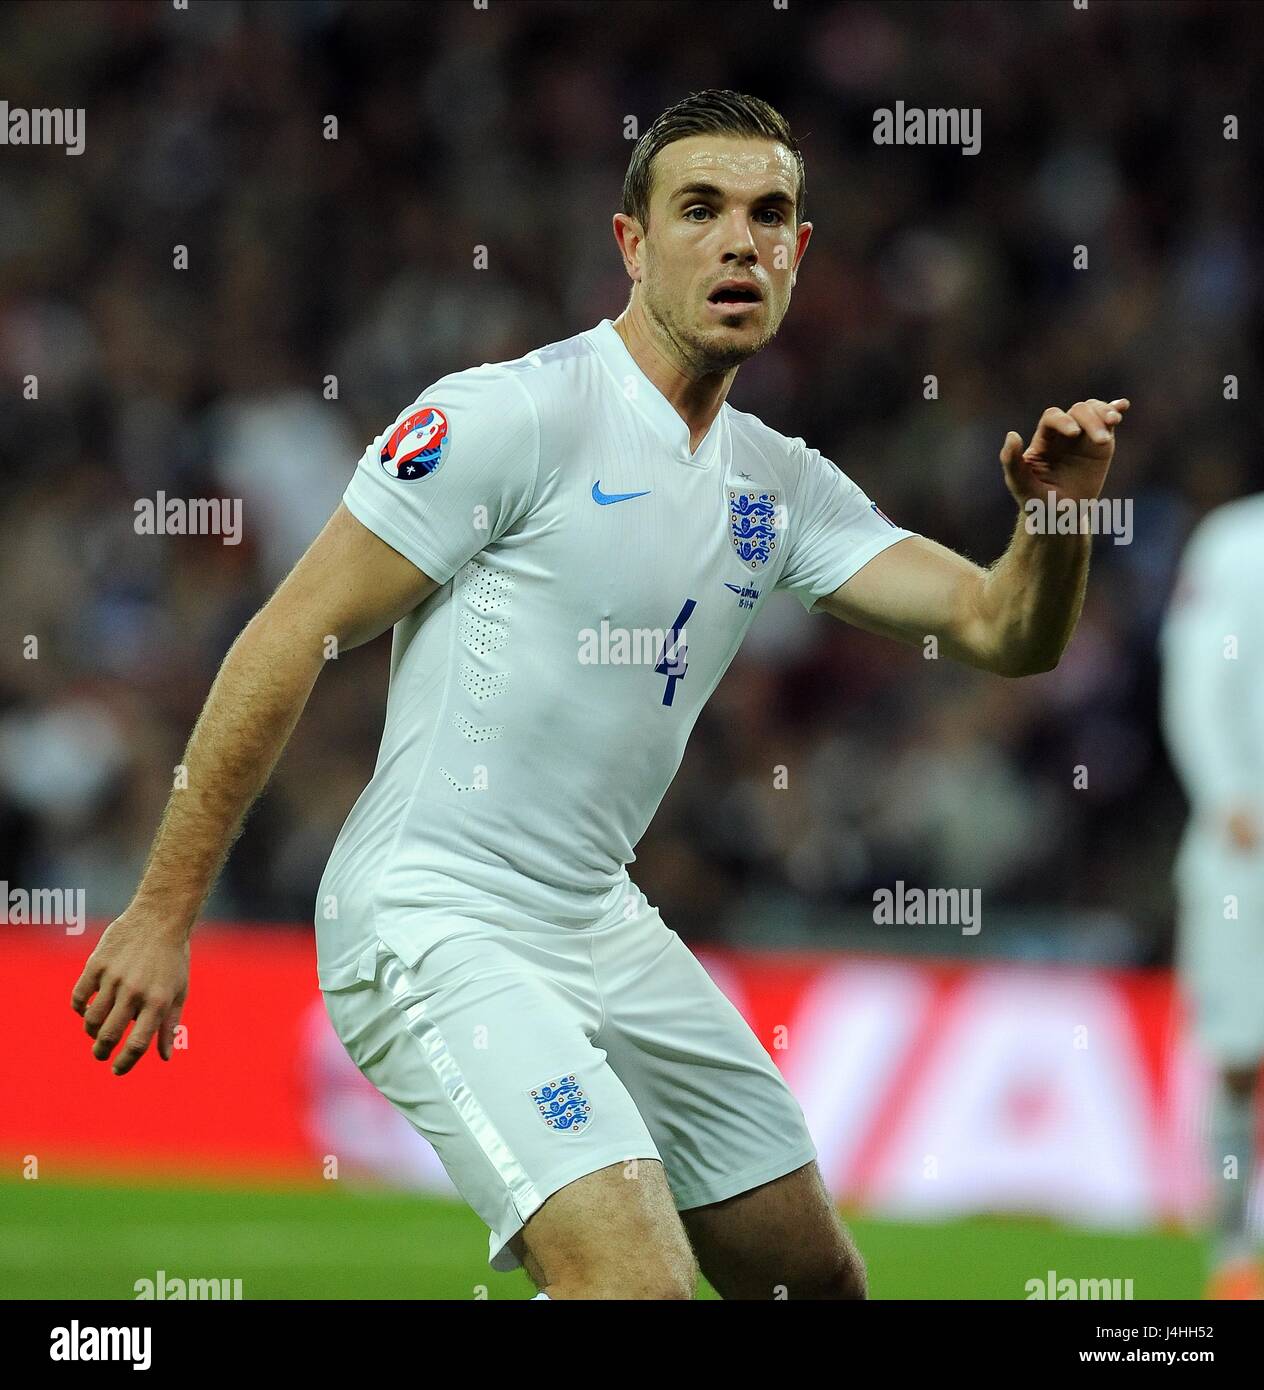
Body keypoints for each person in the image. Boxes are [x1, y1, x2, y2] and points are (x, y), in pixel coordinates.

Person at [72, 89, 1128, 1299]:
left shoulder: (778, 486)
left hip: (596, 921)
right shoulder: (508, 416)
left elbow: (1004, 629)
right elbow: (288, 634)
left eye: (769, 214)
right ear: (631, 244)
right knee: (634, 1287)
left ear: (799, 252)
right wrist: (162, 908)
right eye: (700, 209)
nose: (740, 240)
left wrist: (1059, 517)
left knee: (814, 1281)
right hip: (434, 917)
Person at [1161, 495, 1264, 1300]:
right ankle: (1234, 1255)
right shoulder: (1235, 540)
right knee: (1237, 1057)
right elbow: (1194, 675)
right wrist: (1226, 792)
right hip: (1246, 850)